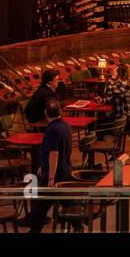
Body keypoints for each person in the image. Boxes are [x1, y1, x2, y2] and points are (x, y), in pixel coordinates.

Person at [29, 98, 74, 233]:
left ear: (46, 113)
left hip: (55, 175)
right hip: (65, 171)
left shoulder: (52, 130)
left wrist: (50, 178)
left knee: (40, 209)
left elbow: (54, 154)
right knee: (66, 204)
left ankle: (34, 232)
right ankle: (79, 225)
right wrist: (43, 165)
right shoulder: (66, 126)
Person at [102, 63, 130, 128]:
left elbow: (106, 91)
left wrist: (113, 77)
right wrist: (103, 100)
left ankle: (112, 136)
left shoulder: (124, 84)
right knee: (105, 120)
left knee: (101, 125)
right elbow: (117, 96)